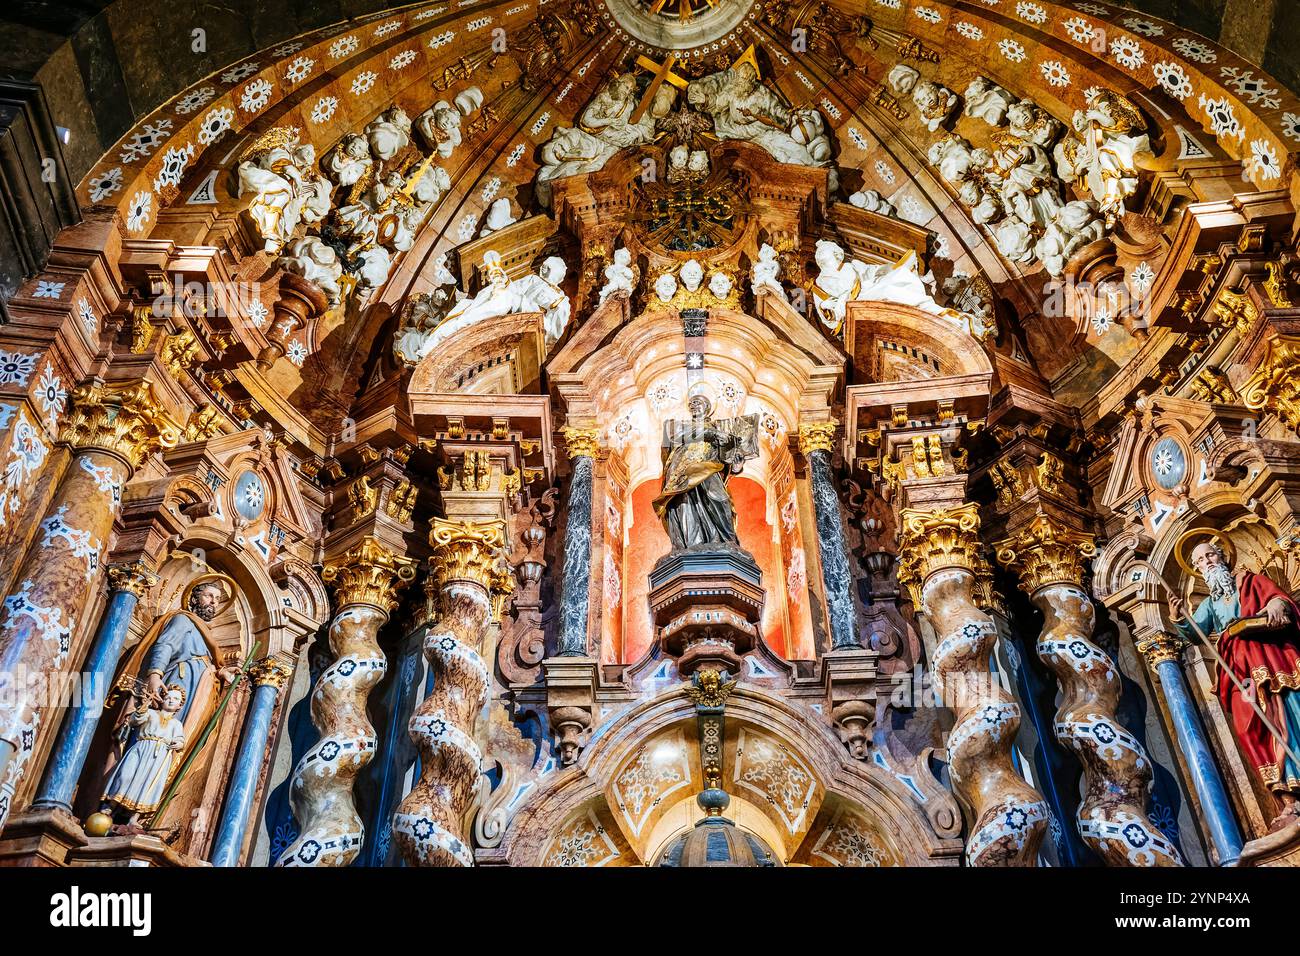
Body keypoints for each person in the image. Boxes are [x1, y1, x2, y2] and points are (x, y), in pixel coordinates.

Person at [1169, 533, 1300, 830]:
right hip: (1239, 670)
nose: (1207, 562)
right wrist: (1177, 618)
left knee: (1289, 715)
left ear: (1222, 557)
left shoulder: (1248, 581)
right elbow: (1193, 632)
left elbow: (1277, 599)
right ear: (1198, 570)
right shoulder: (1211, 604)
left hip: (1269, 656)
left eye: (1211, 556)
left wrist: (1277, 605)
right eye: (1201, 561)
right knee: (1253, 728)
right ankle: (1289, 799)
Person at [653, 391, 758, 550]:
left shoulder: (721, 428)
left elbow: (727, 460)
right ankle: (690, 545)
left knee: (720, 500)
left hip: (709, 468)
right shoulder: (677, 425)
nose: (693, 405)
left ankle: (727, 541)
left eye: (698, 402)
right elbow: (675, 437)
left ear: (707, 408)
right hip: (683, 471)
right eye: (691, 403)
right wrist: (712, 434)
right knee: (685, 507)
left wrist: (737, 465)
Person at [100, 685, 187, 825]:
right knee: (125, 775)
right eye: (168, 697)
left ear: (180, 706)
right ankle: (110, 806)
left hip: (159, 757)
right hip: (141, 748)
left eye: (175, 699)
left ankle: (134, 818)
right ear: (162, 700)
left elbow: (180, 739)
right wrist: (144, 706)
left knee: (147, 785)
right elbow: (135, 721)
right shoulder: (151, 713)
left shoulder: (176, 724)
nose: (171, 700)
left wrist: (179, 744)